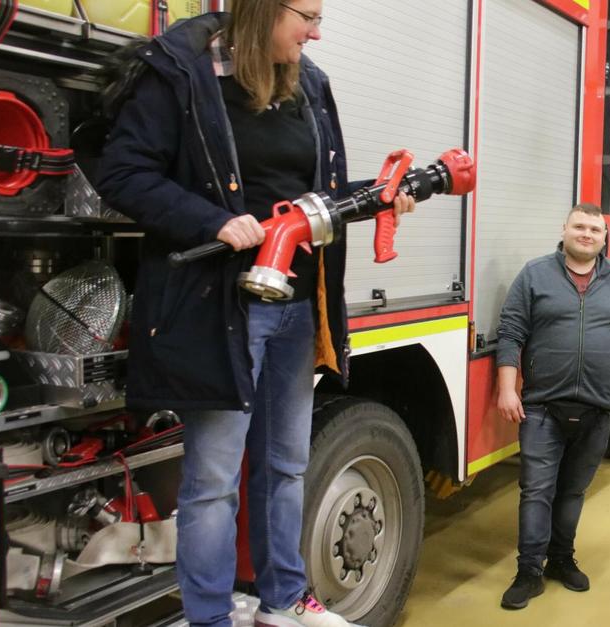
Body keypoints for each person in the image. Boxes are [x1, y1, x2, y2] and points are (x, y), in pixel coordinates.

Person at [96, 3, 414, 625]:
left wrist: (373, 202)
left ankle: (283, 600)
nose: (317, 33)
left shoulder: (311, 82)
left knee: (287, 467)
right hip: (218, 313)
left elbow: (317, 194)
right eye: (309, 16)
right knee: (213, 482)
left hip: (297, 306)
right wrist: (211, 220)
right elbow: (124, 173)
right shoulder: (181, 72)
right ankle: (209, 616)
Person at [494, 203, 610, 610]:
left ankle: (561, 560)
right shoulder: (535, 273)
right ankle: (529, 572)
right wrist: (508, 389)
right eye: (580, 226)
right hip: (541, 406)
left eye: (595, 228)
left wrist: (601, 369)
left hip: (597, 407)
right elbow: (510, 332)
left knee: (573, 491)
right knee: (537, 491)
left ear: (605, 237)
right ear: (565, 229)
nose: (587, 234)